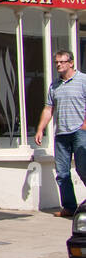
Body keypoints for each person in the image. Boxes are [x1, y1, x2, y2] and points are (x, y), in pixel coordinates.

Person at [36, 50, 86, 218]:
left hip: (80, 131)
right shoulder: (54, 85)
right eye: (56, 62)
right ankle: (70, 208)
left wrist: (85, 125)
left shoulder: (83, 80)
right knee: (62, 173)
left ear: (71, 63)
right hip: (61, 134)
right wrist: (40, 129)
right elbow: (49, 108)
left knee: (83, 168)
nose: (58, 65)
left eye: (62, 62)